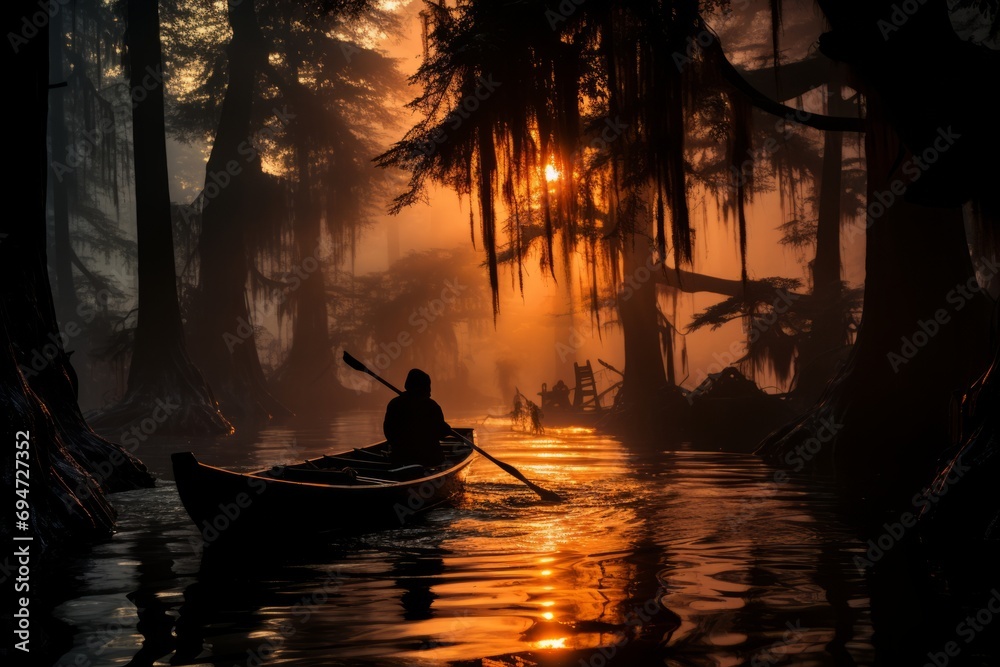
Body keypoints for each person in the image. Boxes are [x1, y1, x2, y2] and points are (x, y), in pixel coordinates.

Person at [383, 369, 452, 467]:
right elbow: (440, 433)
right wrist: (446, 429)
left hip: (400, 458)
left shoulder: (394, 403)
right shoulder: (431, 406)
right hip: (429, 459)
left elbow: (388, 433)